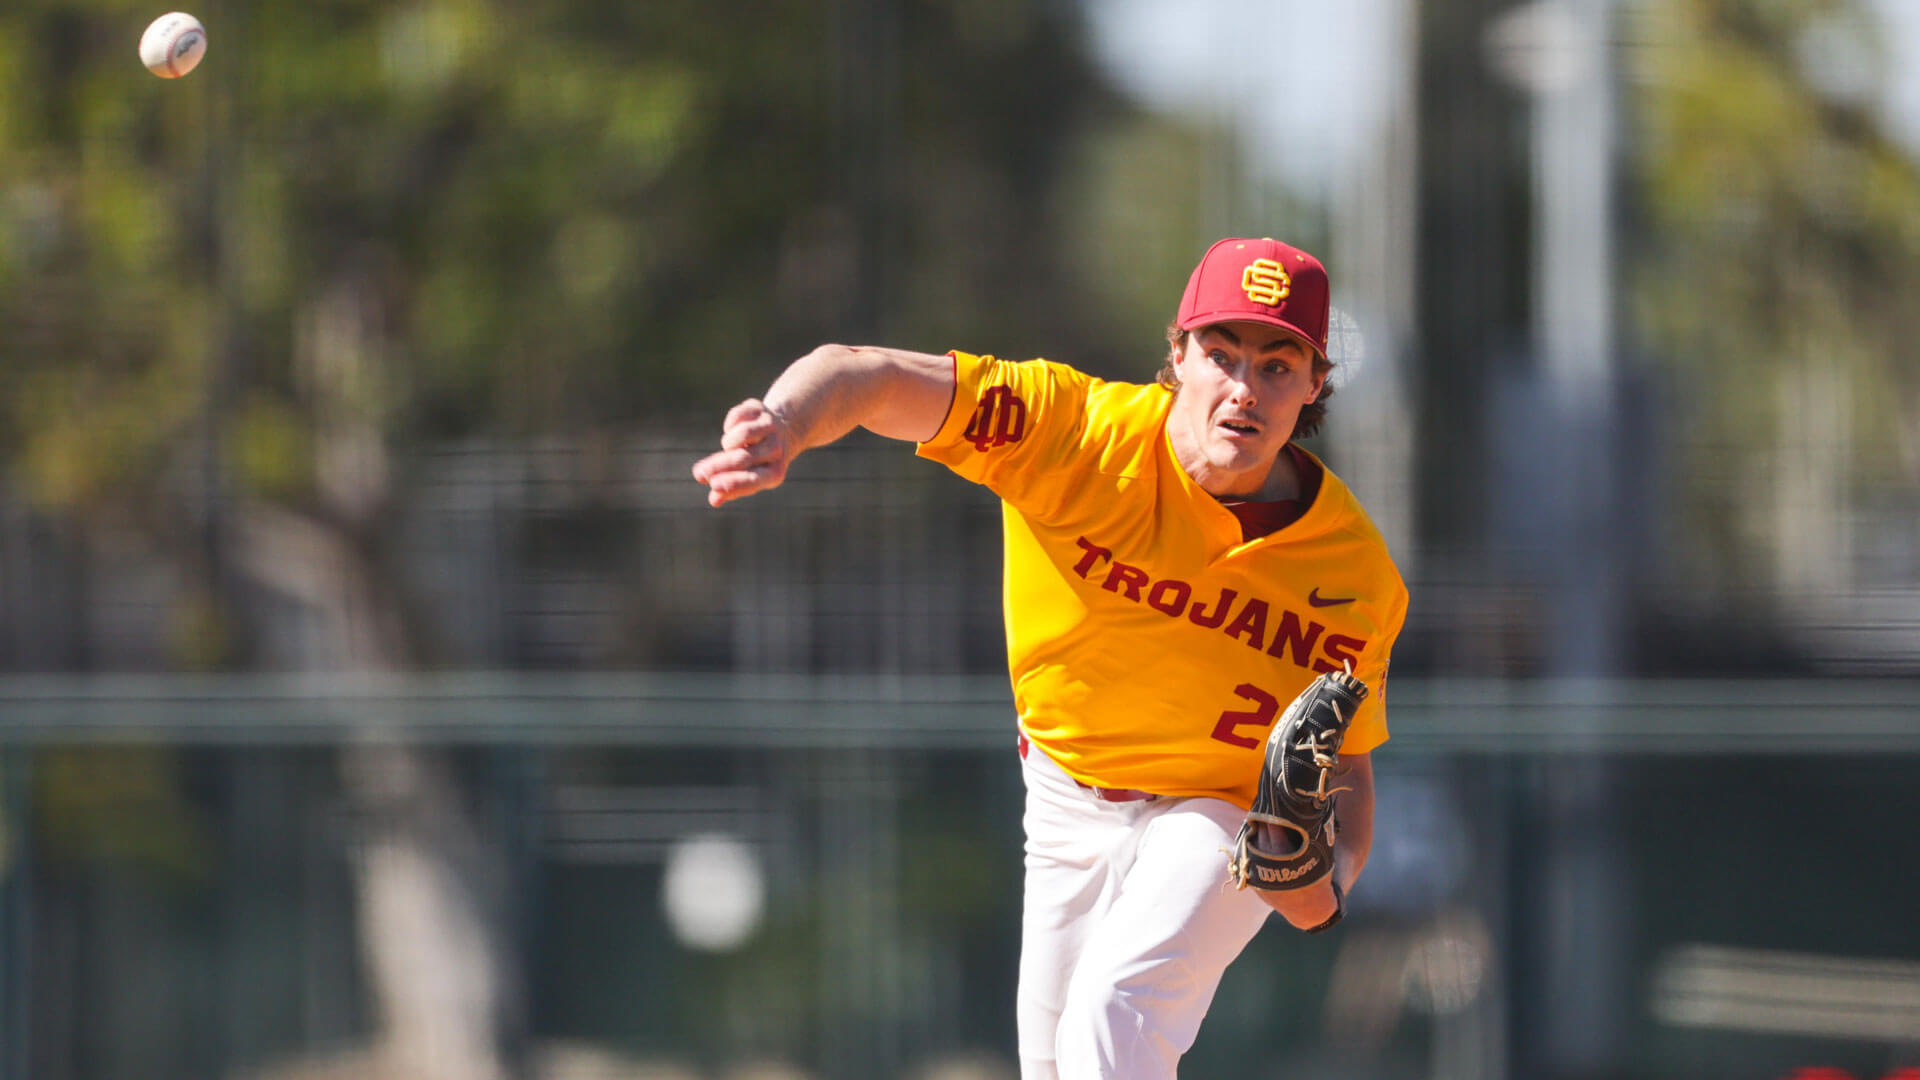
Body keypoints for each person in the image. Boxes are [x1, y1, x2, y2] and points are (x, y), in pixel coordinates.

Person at [693, 237, 1408, 1080]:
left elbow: (1349, 775)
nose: (1243, 390)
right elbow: (865, 373)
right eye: (1221, 356)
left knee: (1113, 1017)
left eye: (1278, 367)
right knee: (1058, 1066)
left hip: (1220, 816)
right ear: (1175, 355)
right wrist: (783, 423)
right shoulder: (1069, 431)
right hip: (1066, 795)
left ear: (1315, 384)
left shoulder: (1353, 572)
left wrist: (1322, 886)